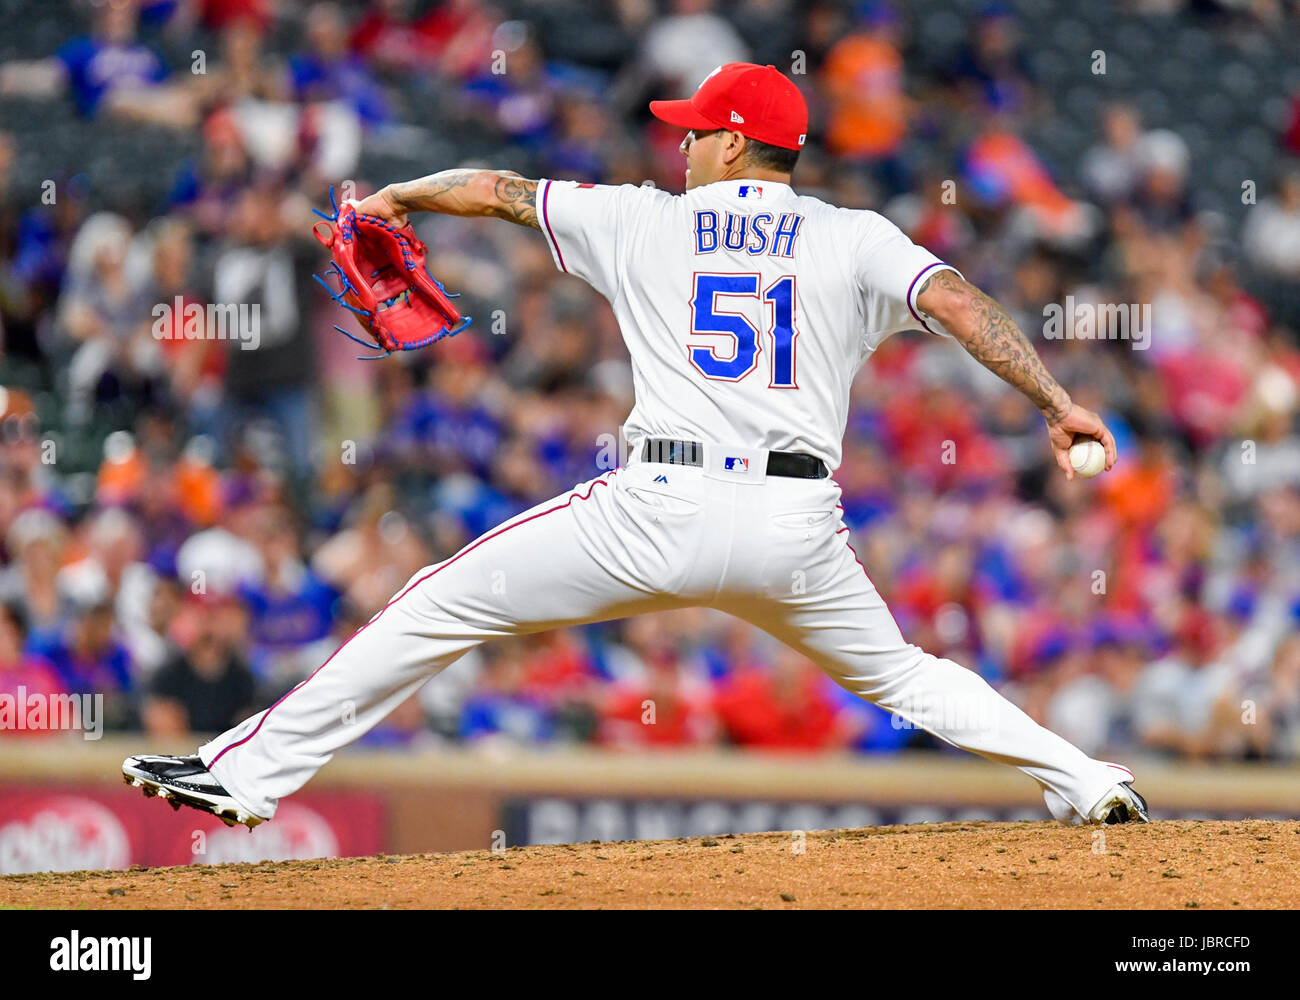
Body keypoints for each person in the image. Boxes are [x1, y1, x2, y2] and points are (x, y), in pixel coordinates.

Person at [125, 62, 1147, 829]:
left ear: (738, 146)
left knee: (439, 600)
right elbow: (962, 305)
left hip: (656, 508)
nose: (684, 146)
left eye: (699, 132)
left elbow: (498, 190)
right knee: (905, 674)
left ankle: (245, 774)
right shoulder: (856, 234)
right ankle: (1089, 779)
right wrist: (1057, 402)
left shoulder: (646, 221)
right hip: (796, 529)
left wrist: (400, 197)